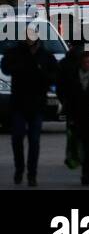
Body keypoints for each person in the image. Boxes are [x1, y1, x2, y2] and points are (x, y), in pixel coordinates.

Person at [3, 25, 57, 186]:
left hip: (37, 103)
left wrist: (43, 74)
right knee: (17, 138)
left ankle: (31, 174)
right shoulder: (16, 52)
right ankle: (19, 169)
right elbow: (5, 67)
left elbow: (54, 75)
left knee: (34, 141)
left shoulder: (45, 55)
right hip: (19, 102)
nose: (29, 39)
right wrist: (20, 68)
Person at [57, 47, 89, 185]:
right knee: (84, 146)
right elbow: (69, 94)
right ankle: (87, 173)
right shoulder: (74, 76)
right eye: (86, 62)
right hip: (80, 116)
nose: (88, 65)